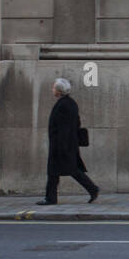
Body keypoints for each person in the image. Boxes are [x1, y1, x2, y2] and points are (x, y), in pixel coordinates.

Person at [37, 77, 99, 205]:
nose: (52, 89)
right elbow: (76, 123)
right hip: (67, 144)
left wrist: (62, 147)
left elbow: (63, 128)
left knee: (66, 171)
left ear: (59, 91)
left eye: (54, 87)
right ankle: (51, 198)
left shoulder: (63, 105)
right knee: (58, 172)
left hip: (62, 145)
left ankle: (92, 189)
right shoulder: (70, 103)